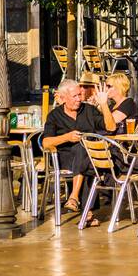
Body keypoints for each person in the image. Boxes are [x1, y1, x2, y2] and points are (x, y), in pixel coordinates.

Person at [41, 79, 107, 225]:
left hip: (88, 157)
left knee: (83, 150)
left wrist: (103, 105)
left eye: (80, 95)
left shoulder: (89, 110)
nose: (79, 99)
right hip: (63, 158)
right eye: (75, 96)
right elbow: (46, 142)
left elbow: (110, 127)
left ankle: (74, 197)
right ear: (63, 98)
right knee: (87, 161)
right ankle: (87, 212)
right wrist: (67, 137)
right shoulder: (54, 115)